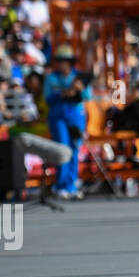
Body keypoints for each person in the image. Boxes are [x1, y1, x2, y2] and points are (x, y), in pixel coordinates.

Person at [44, 45, 91, 199]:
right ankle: (61, 185)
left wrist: (79, 89)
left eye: (65, 61)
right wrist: (63, 93)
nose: (62, 64)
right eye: (60, 61)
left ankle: (71, 184)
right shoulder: (51, 78)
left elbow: (88, 96)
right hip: (58, 116)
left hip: (76, 117)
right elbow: (48, 98)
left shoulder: (79, 77)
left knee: (74, 149)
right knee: (62, 149)